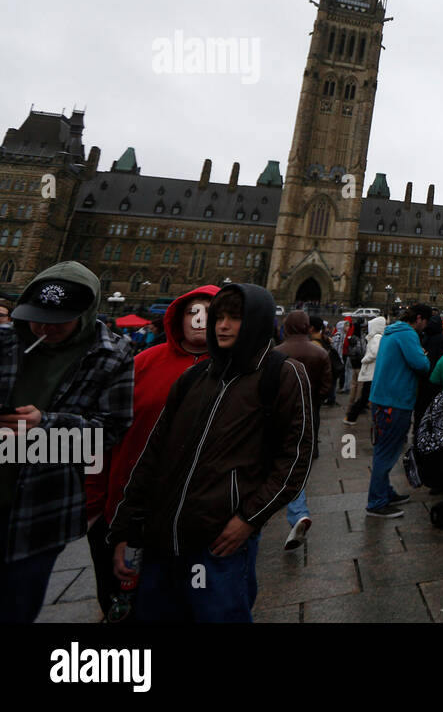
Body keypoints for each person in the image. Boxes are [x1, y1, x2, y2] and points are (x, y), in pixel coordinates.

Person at [108, 283, 312, 622]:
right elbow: (152, 455)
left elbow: (295, 459)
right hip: (161, 539)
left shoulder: (283, 374)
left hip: (218, 541)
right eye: (219, 317)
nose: (223, 326)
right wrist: (125, 529)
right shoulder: (194, 376)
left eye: (235, 318)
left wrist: (249, 519)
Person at [0, 262, 134, 622]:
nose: (44, 327)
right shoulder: (4, 341)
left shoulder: (113, 355)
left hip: (41, 510)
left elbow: (108, 434)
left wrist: (44, 425)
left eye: (57, 320)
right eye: (37, 317)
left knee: (15, 610)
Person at [86, 285, 218, 619]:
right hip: (125, 510)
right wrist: (94, 504)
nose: (200, 320)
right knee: (121, 603)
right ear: (178, 318)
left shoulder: (242, 373)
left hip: (197, 519)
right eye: (192, 312)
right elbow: (103, 432)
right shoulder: (141, 363)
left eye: (211, 312)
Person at [365, 305, 432, 518]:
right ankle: (376, 502)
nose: (425, 327)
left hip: (383, 399)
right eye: (426, 322)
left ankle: (384, 492)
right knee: (386, 452)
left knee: (384, 448)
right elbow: (421, 365)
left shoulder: (391, 331)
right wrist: (423, 354)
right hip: (395, 401)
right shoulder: (407, 334)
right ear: (419, 319)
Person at [275, 311, 333, 549]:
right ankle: (297, 511)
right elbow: (327, 387)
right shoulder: (320, 352)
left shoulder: (274, 353)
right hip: (309, 416)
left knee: (274, 462)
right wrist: (310, 404)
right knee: (297, 462)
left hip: (278, 417)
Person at [343, 314, 385, 426]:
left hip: (371, 372)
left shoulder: (376, 337)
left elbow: (374, 353)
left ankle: (351, 417)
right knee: (366, 397)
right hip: (372, 373)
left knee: (365, 397)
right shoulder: (378, 337)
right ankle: (352, 417)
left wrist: (364, 359)